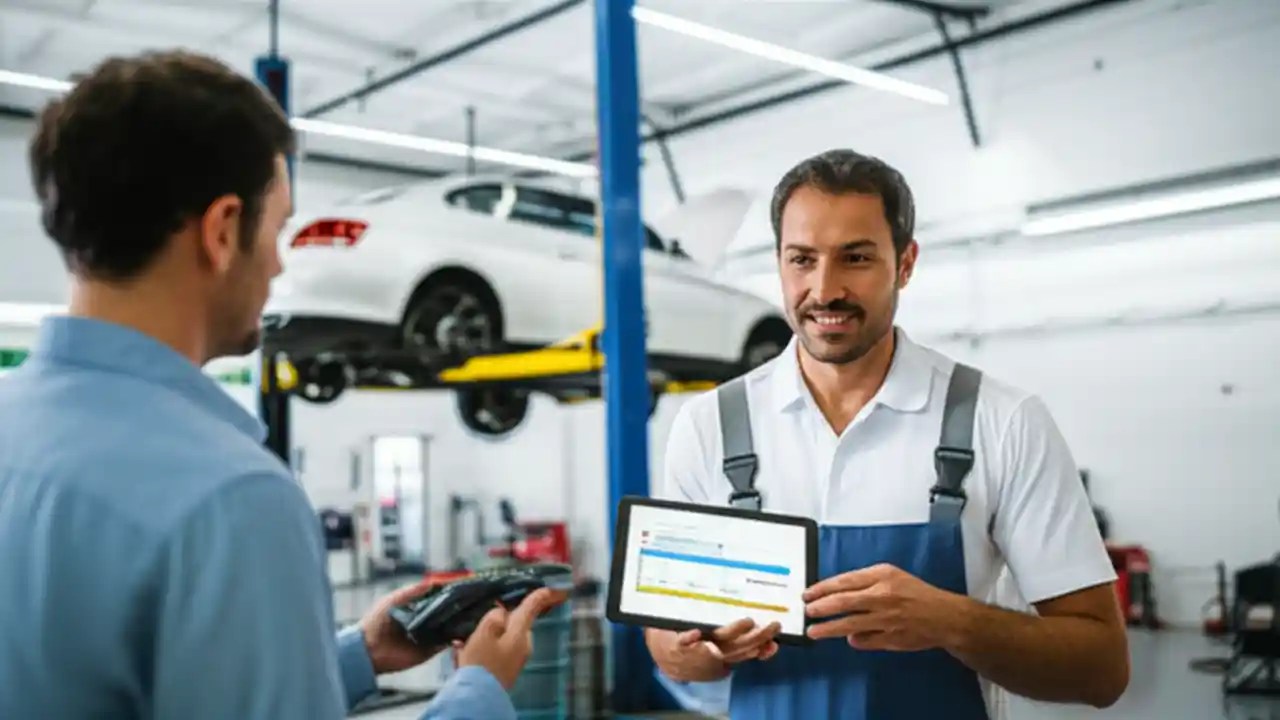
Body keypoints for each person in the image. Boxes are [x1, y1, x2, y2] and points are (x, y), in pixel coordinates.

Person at [0, 50, 562, 719]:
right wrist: (480, 691)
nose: (277, 263)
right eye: (278, 228)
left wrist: (359, 654)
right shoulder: (231, 499)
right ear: (222, 230)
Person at [645, 149, 1130, 719]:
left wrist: (951, 621)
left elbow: (1102, 669)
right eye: (802, 259)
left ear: (905, 263)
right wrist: (704, 651)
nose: (824, 290)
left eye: (855, 258)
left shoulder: (1001, 421)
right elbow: (669, 649)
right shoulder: (710, 427)